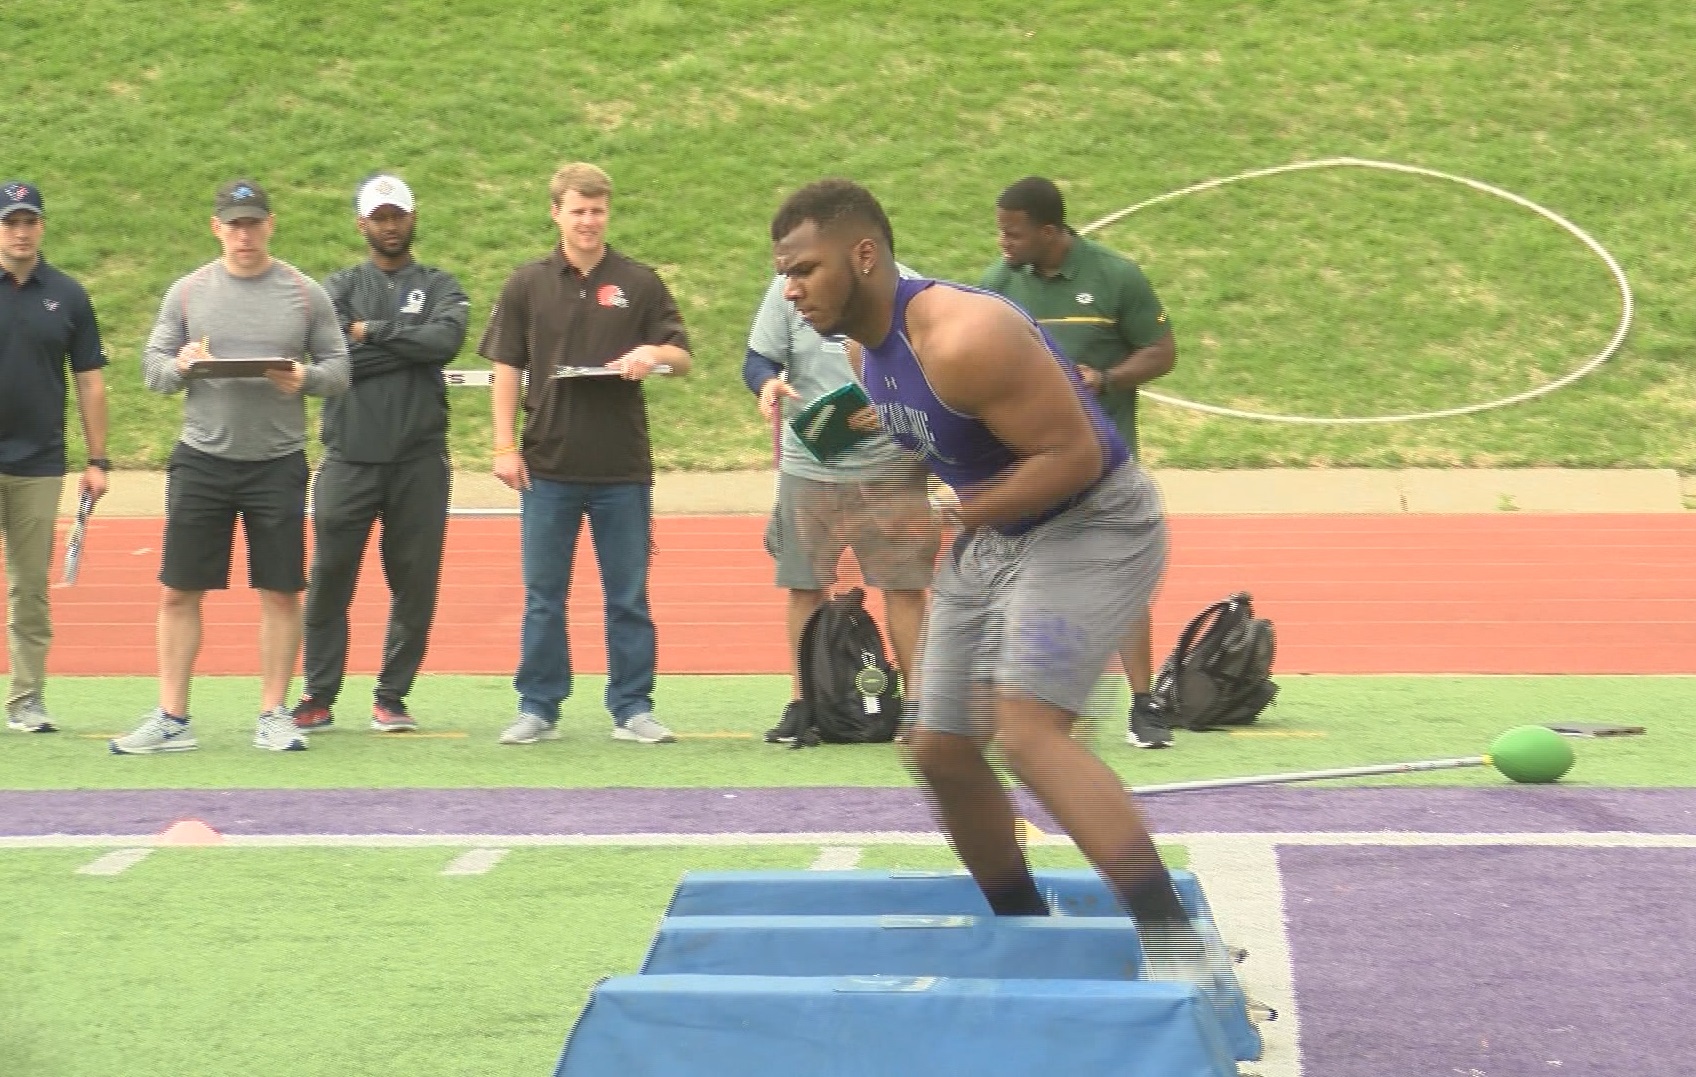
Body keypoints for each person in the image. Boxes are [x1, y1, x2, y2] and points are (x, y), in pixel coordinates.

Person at [770, 179, 1218, 977]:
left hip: (1090, 522)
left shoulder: (966, 335)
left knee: (1025, 731)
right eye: (785, 274)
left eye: (805, 268)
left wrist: (944, 517)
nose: (791, 290)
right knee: (938, 747)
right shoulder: (858, 351)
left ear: (864, 255)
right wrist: (886, 498)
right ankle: (1025, 929)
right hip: (996, 533)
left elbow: (1074, 455)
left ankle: (1176, 941)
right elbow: (943, 442)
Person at [114, 179, 351, 754]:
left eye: (254, 222)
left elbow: (339, 366)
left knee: (280, 592)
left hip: (276, 462)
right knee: (179, 591)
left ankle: (273, 712)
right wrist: (182, 364)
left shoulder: (304, 293)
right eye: (233, 223)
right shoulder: (190, 292)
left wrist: (306, 379)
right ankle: (172, 715)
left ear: (271, 224)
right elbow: (152, 369)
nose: (244, 233)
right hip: (203, 460)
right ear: (216, 228)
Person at [479, 163, 692, 747]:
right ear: (557, 213)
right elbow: (506, 370)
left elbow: (683, 357)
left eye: (597, 210)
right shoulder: (527, 283)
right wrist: (503, 445)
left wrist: (652, 352)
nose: (588, 221)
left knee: (628, 596)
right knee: (543, 597)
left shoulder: (640, 282)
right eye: (577, 210)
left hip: (622, 468)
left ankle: (632, 706)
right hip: (546, 465)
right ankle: (538, 705)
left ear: (608, 213)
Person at [982, 176, 1177, 750]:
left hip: (1105, 463)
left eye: (1012, 233)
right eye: (999, 229)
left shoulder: (1116, 276)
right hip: (1030, 463)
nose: (1002, 242)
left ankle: (1145, 704)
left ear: (1050, 231)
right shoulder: (995, 288)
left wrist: (1108, 377)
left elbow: (1162, 352)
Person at [290, 174, 469, 735]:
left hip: (419, 459)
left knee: (413, 579)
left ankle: (392, 694)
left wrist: (373, 334)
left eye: (399, 215)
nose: (390, 225)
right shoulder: (337, 287)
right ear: (361, 223)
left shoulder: (441, 283)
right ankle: (318, 693)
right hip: (349, 456)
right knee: (329, 577)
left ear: (414, 218)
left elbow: (444, 343)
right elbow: (331, 355)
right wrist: (403, 344)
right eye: (379, 216)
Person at [742, 272, 938, 739]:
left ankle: (920, 708)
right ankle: (802, 702)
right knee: (804, 586)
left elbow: (937, 370)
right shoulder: (786, 289)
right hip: (809, 463)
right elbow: (757, 359)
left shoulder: (907, 288)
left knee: (905, 587)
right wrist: (766, 385)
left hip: (892, 464)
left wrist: (893, 409)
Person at [0, 181, 110, 734]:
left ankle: (26, 700)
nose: (20, 232)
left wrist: (98, 460)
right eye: (10, 222)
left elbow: (89, 381)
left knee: (29, 587)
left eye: (29, 221)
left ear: (41, 226)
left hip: (37, 463)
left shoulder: (66, 295)